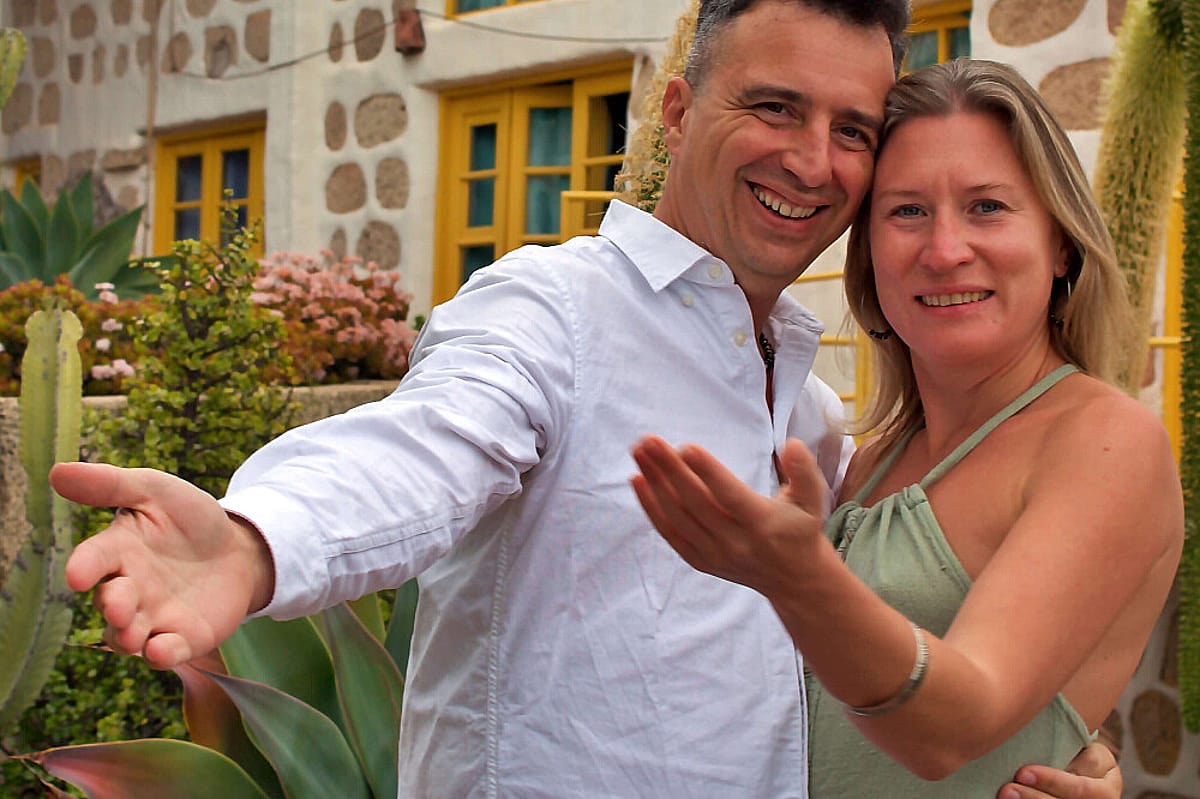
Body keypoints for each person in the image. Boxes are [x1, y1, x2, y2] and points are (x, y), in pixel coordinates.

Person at [48, 3, 1121, 797]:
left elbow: (858, 661)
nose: (813, 160)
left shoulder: (813, 415)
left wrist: (1061, 756)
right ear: (679, 107)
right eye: (775, 107)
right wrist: (257, 539)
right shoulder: (553, 311)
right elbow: (425, 449)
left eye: (852, 130)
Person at [630, 57, 1183, 799]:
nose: (944, 249)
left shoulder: (1105, 441)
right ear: (870, 256)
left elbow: (950, 729)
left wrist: (801, 580)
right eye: (907, 211)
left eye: (987, 206)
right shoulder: (871, 458)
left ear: (1061, 244)